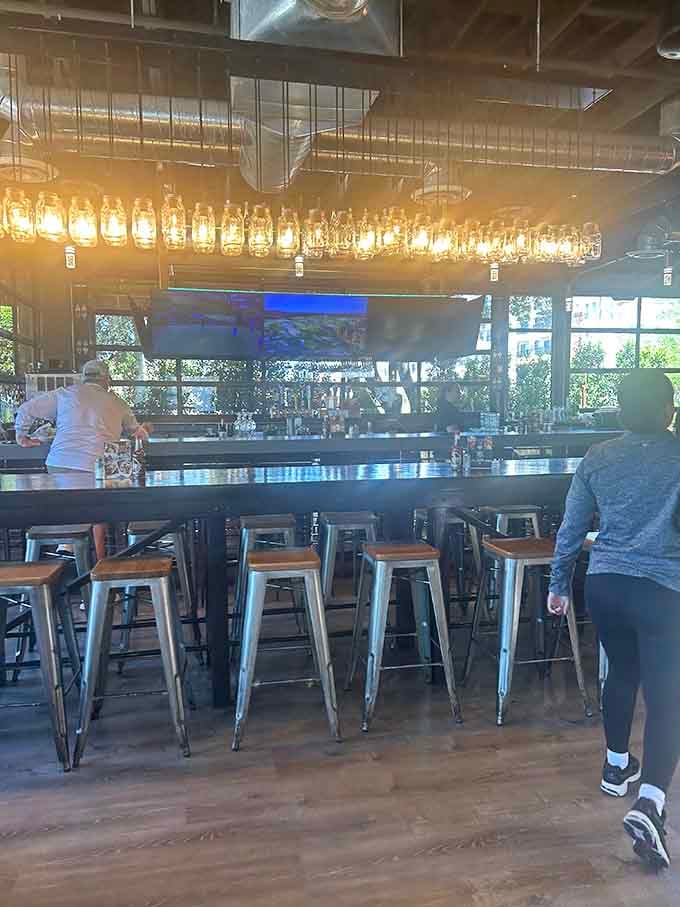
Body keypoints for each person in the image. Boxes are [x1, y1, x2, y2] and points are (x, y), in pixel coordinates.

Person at [548, 370, 680, 870]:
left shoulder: (598, 456)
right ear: (668, 409)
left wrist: (559, 585)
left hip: (605, 587)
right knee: (668, 698)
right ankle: (650, 803)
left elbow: (572, 526)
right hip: (664, 591)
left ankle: (617, 766)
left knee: (622, 674)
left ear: (621, 412)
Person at [15, 360, 149, 559]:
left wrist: (21, 435)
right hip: (100, 465)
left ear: (82, 377)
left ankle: (68, 544)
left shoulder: (64, 394)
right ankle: (100, 558)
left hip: (61, 462)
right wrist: (144, 430)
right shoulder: (117, 402)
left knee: (70, 501)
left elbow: (27, 409)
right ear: (107, 380)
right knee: (98, 504)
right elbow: (137, 433)